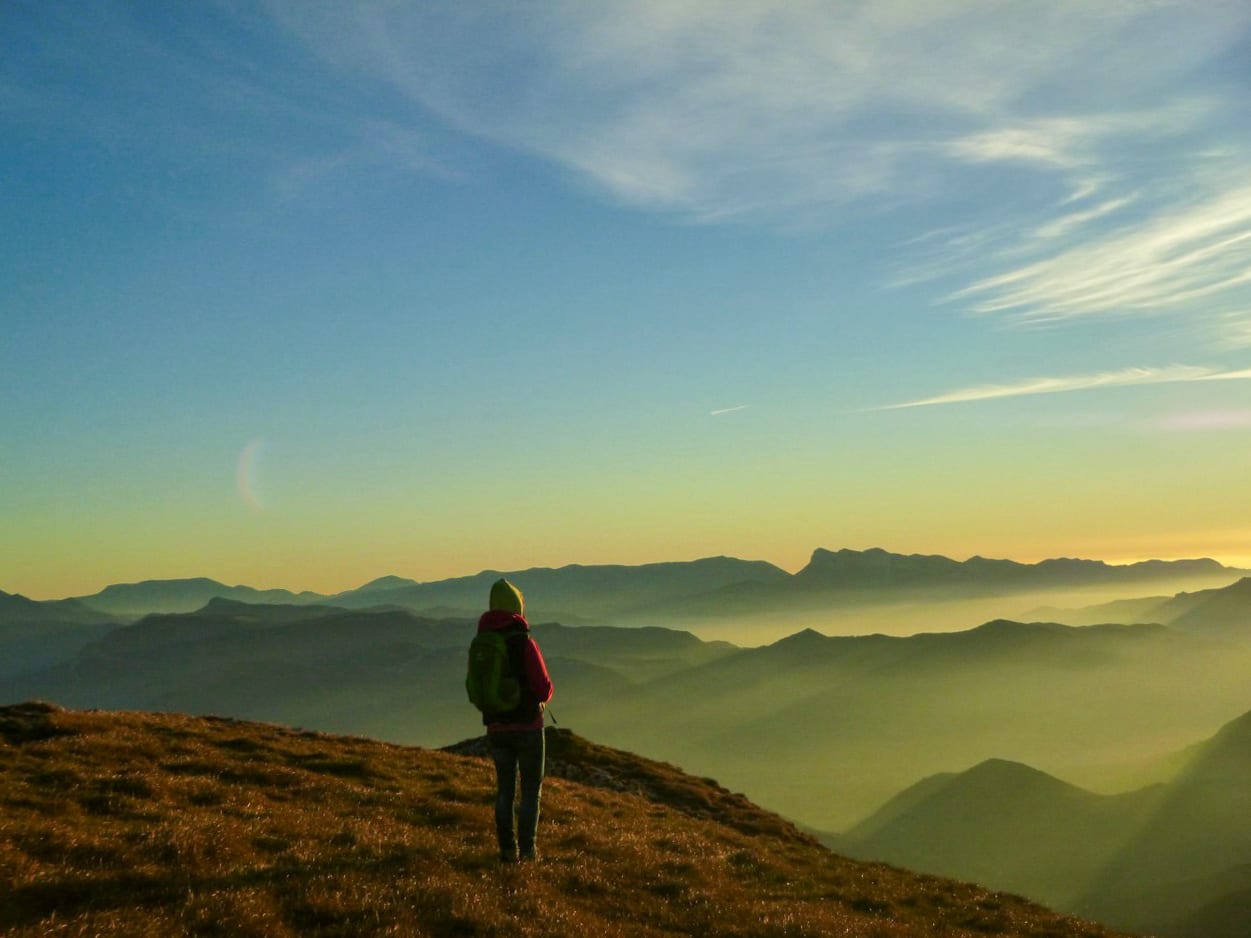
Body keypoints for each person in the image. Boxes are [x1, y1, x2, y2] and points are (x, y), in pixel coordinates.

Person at [477, 578, 553, 863]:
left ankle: (507, 852)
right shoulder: (524, 642)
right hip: (529, 728)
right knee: (530, 791)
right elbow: (543, 687)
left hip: (496, 726)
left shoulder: (483, 642)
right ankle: (529, 852)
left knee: (505, 790)